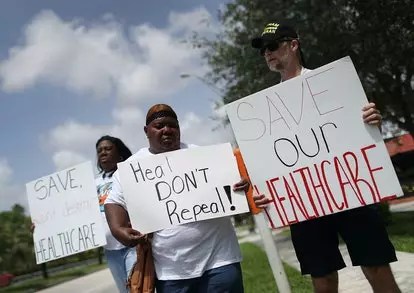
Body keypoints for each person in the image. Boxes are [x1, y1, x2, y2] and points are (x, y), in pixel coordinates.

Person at [250, 22, 401, 293]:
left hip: (352, 188)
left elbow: (360, 132)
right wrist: (263, 189)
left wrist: (372, 122)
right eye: (263, 50)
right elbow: (268, 163)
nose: (267, 53)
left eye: (272, 46)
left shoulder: (334, 84)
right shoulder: (264, 110)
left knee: (377, 268)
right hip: (304, 201)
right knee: (323, 280)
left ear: (293, 44)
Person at [104, 104, 249, 293]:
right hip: (171, 272)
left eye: (172, 125)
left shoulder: (202, 155)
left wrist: (241, 184)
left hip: (220, 259)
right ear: (146, 131)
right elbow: (114, 202)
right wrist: (119, 229)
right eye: (159, 125)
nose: (167, 130)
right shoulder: (132, 168)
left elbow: (233, 183)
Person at [95, 135, 137, 293]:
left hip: (132, 246)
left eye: (107, 149)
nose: (103, 153)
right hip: (110, 251)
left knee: (138, 289)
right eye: (99, 151)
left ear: (120, 154)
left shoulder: (130, 175)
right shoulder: (93, 184)